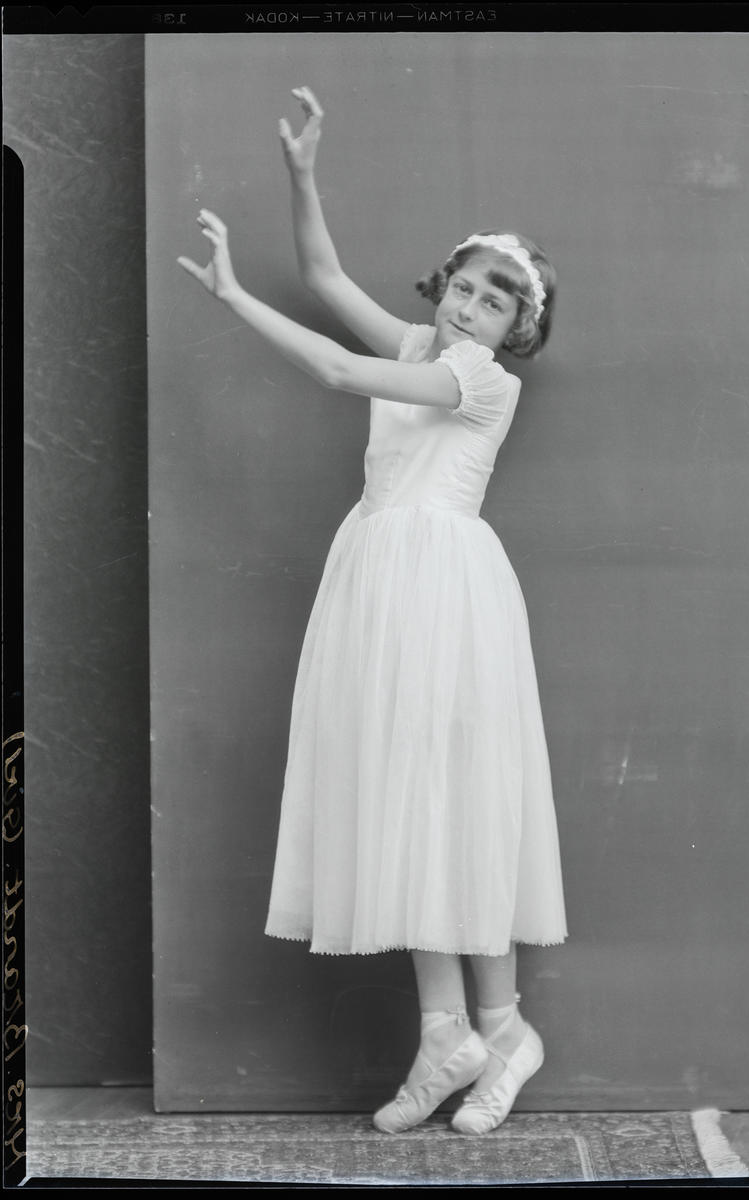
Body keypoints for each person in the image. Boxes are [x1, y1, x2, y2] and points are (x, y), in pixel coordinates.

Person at [178, 86, 567, 1136]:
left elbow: (340, 369)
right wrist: (303, 173)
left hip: (445, 588)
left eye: (497, 301)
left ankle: (503, 1024)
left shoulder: (483, 382)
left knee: (454, 800)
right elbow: (322, 277)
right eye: (467, 286)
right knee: (407, 800)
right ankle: (454, 1030)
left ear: (513, 330)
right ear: (444, 285)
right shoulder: (417, 347)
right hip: (378, 582)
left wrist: (228, 301)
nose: (472, 307)